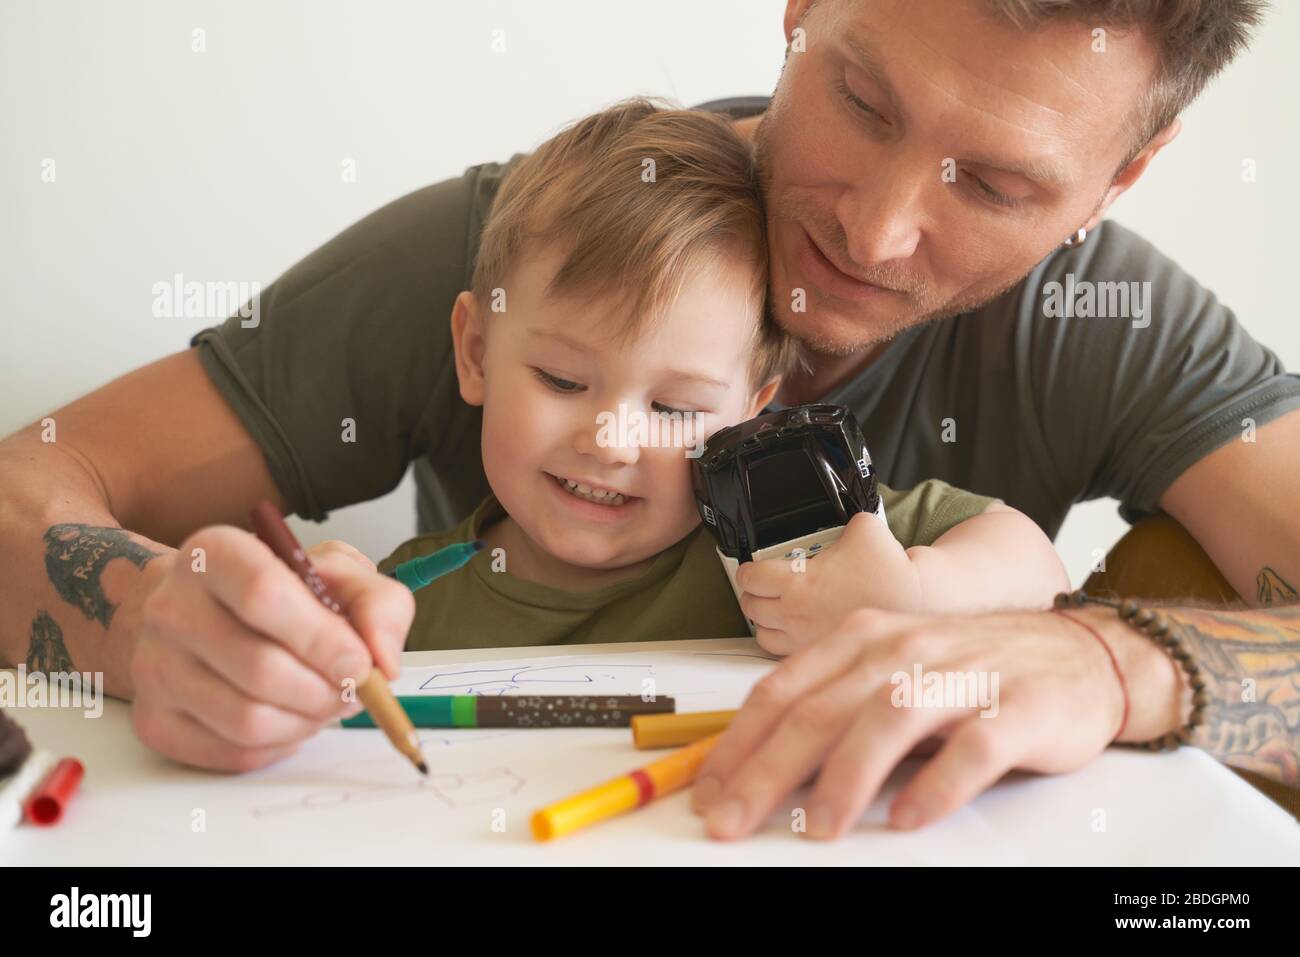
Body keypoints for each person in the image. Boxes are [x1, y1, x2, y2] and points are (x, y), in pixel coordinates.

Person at [1, 0, 1295, 827]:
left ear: (1121, 177)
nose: (875, 227)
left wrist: (1119, 665)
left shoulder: (1114, 326)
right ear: (798, 12)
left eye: (1001, 184)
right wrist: (147, 622)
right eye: (861, 100)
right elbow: (27, 490)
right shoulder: (533, 247)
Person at [377, 99, 1068, 653]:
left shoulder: (789, 543)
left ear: (748, 414)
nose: (611, 442)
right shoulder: (401, 599)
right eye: (561, 380)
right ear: (475, 352)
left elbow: (1034, 567)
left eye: (675, 407)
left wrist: (913, 596)